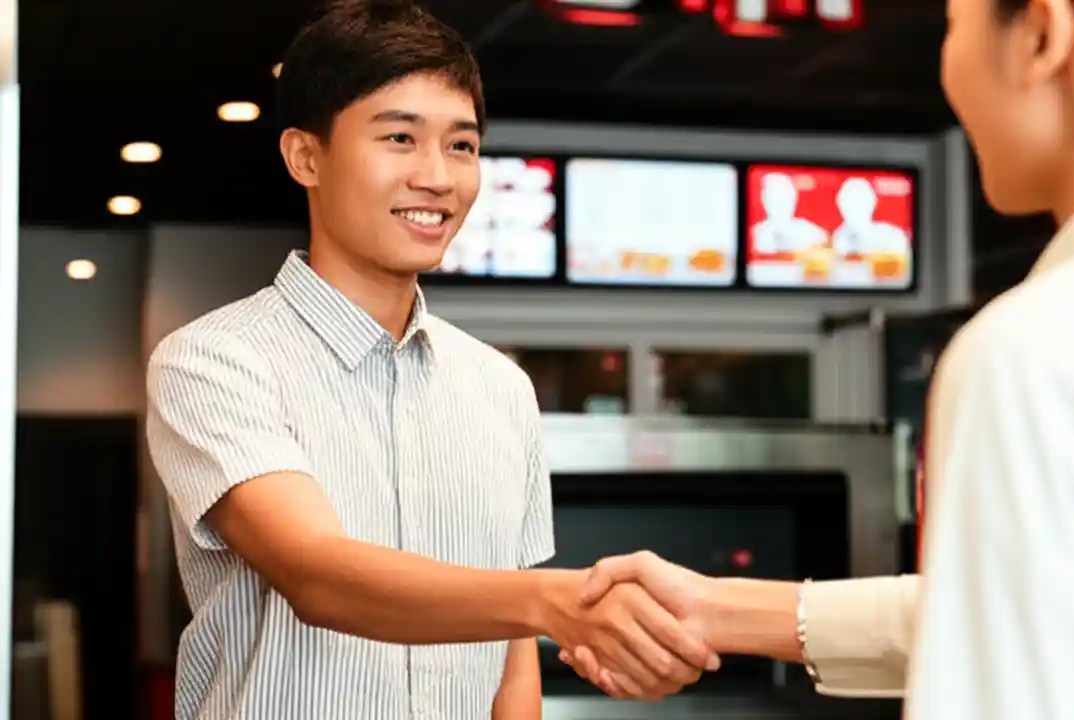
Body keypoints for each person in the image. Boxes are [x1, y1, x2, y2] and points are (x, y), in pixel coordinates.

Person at [563, 0, 1074, 718]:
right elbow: (1041, 603)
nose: (951, 71)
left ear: (1040, 34)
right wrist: (719, 608)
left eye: (955, 26)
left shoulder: (1034, 352)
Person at [144, 2, 714, 719]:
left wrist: (540, 611)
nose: (438, 178)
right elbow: (322, 578)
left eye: (462, 146)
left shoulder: (500, 388)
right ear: (305, 156)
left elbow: (511, 666)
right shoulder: (214, 363)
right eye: (399, 138)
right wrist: (554, 601)